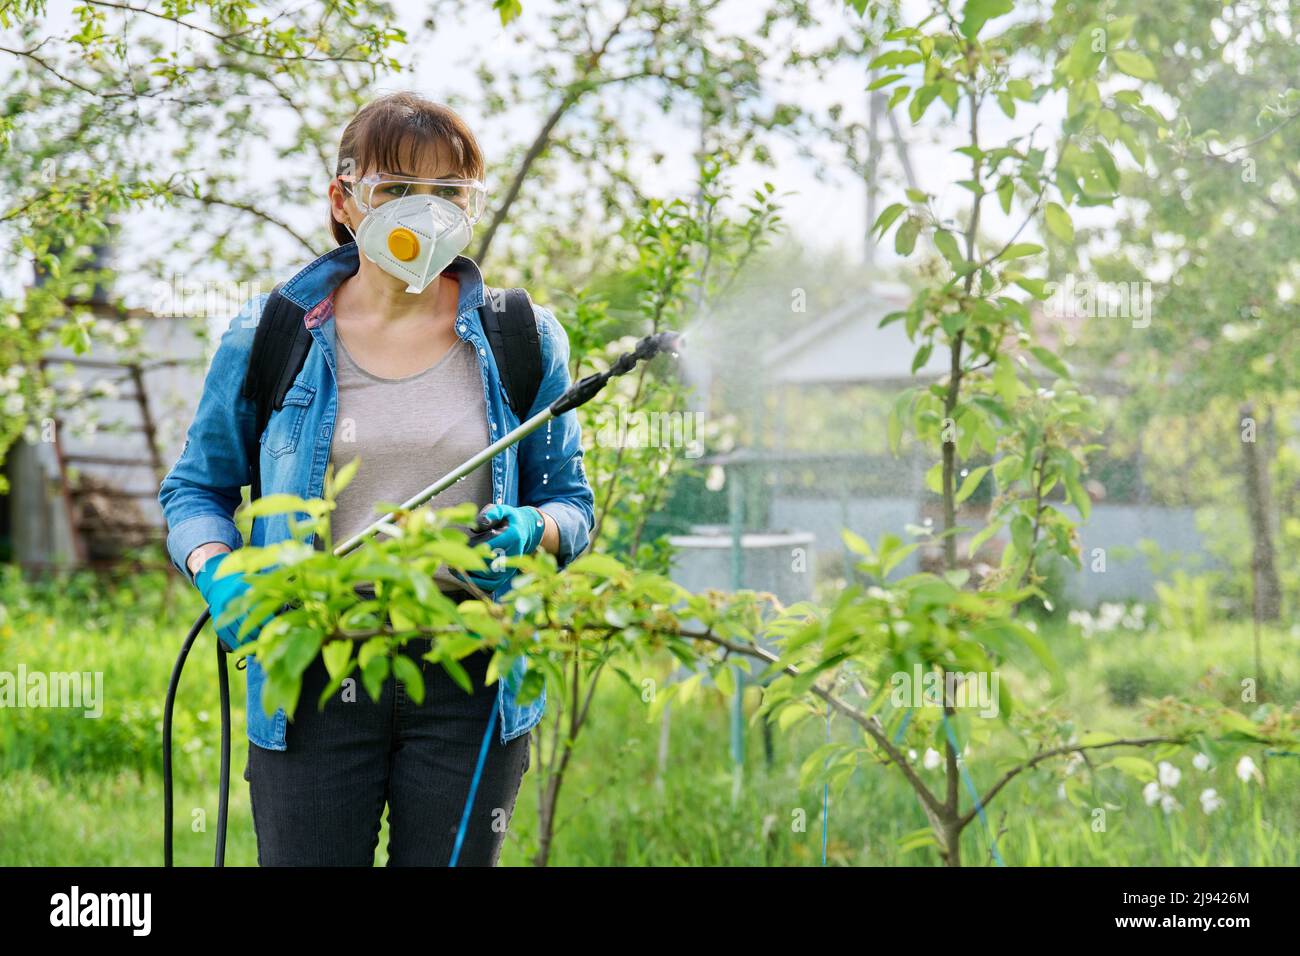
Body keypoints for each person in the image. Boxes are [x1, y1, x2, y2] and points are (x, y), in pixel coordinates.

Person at [158, 91, 595, 866]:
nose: (424, 212)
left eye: (449, 192)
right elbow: (195, 491)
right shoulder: (271, 335)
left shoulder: (523, 337)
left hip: (474, 674)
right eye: (396, 189)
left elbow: (569, 500)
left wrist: (540, 530)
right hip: (313, 668)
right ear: (345, 199)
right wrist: (217, 570)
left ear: (473, 203)